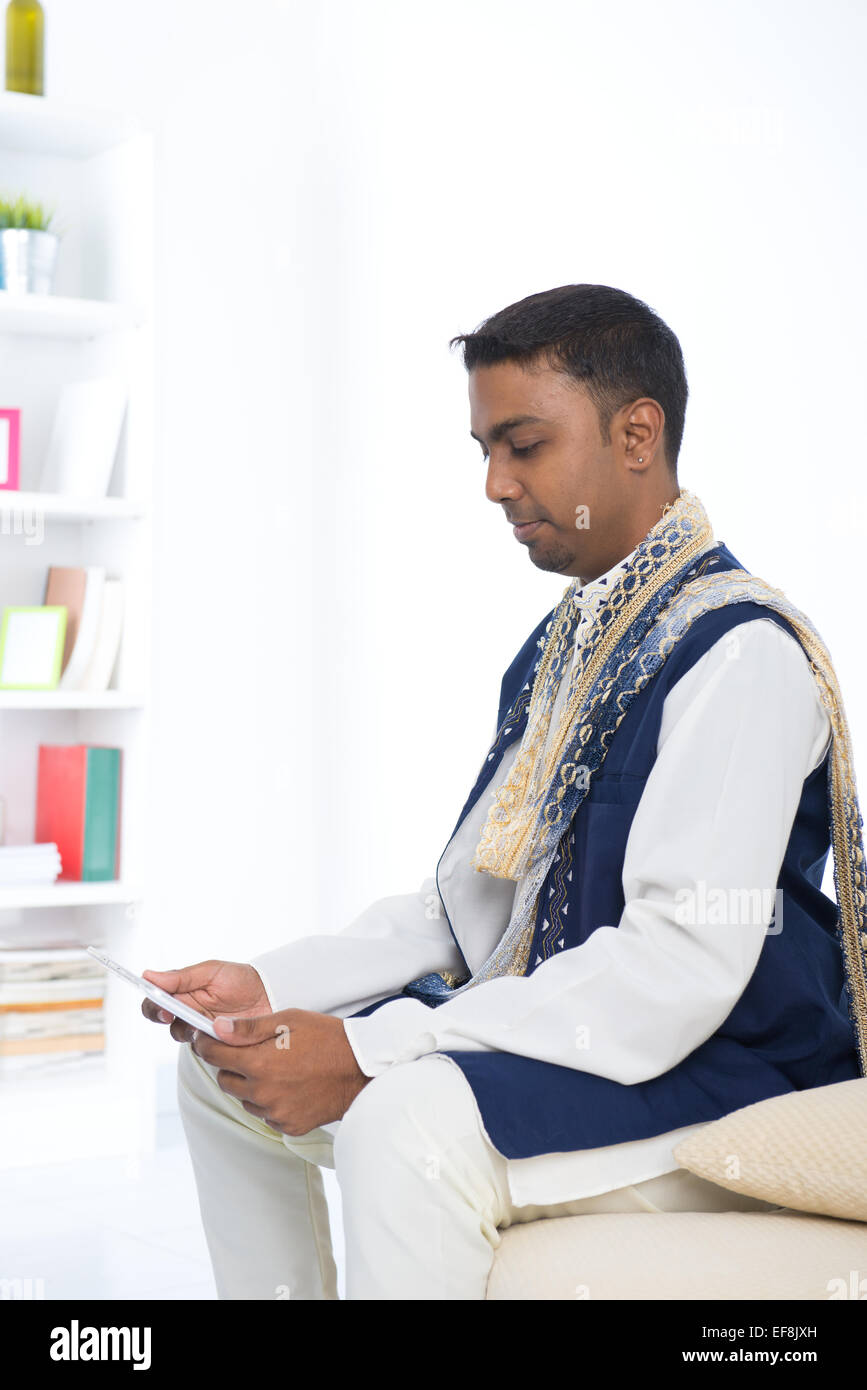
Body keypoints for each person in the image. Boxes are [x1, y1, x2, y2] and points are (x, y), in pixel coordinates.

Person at [143, 283, 866, 1301]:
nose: (493, 482)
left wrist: (365, 1047)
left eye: (522, 444)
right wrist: (273, 991)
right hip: (583, 1043)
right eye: (483, 449)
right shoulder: (567, 645)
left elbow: (676, 971)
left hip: (720, 1071)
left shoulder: (740, 654)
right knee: (223, 1074)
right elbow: (465, 912)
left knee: (405, 1121)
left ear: (636, 434)